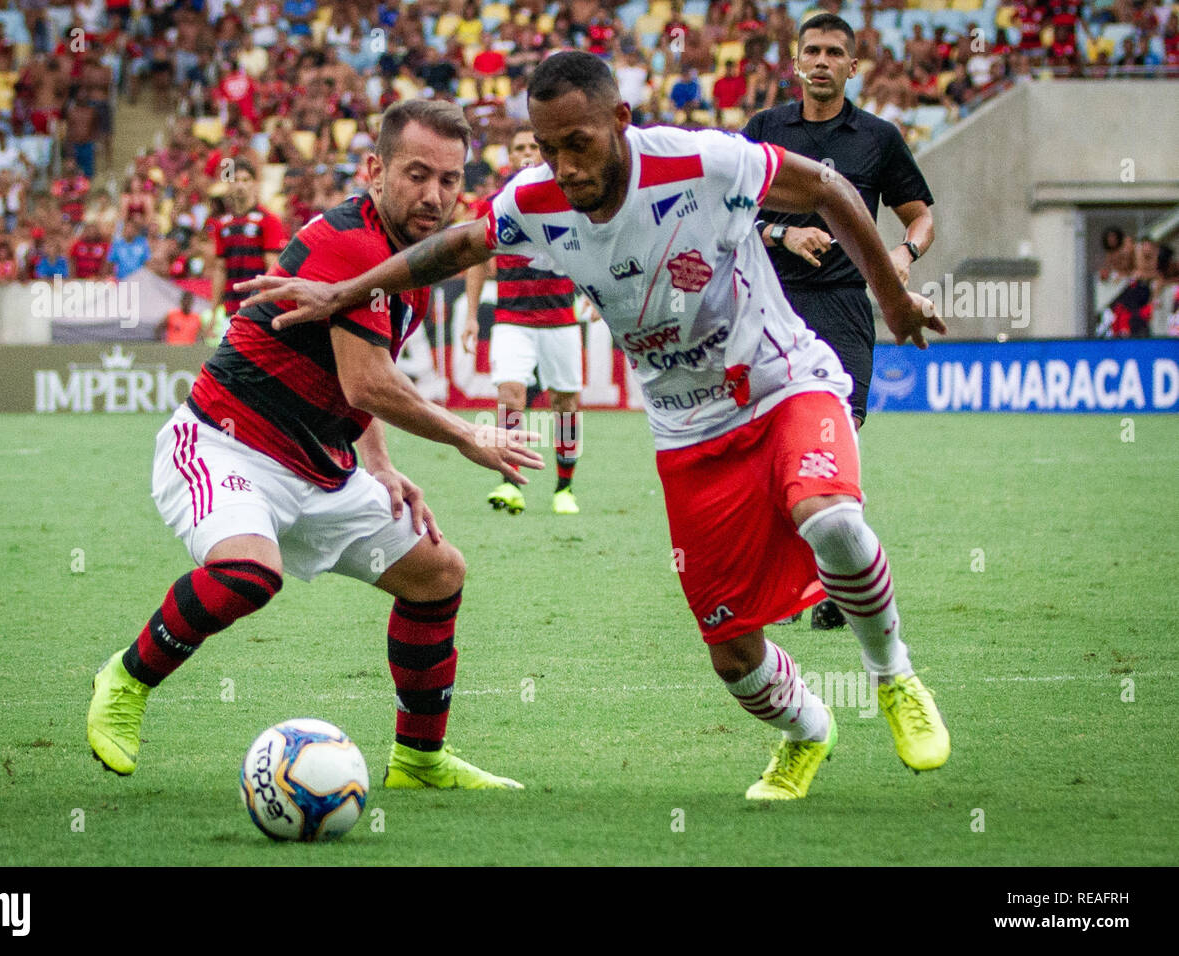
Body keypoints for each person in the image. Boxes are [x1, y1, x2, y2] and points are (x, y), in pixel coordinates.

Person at [240, 54, 952, 800]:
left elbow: (830, 187)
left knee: (828, 513)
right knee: (733, 654)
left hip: (782, 383)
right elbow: (456, 247)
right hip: (687, 430)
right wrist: (345, 291)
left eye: (577, 143)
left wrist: (891, 298)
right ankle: (808, 731)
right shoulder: (539, 198)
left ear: (620, 122)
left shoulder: (704, 160)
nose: (563, 167)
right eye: (547, 148)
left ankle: (892, 676)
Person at [87, 100, 541, 790]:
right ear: (373, 170)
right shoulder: (352, 244)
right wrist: (466, 435)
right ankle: (125, 677)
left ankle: (419, 762)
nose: (434, 195)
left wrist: (382, 465)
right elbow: (368, 386)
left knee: (436, 575)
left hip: (316, 465)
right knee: (249, 574)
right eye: (417, 174)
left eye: (450, 180)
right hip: (224, 445)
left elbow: (358, 375)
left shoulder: (407, 261)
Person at [745, 13, 936, 631]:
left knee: (837, 438)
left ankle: (835, 580)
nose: (822, 61)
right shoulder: (765, 130)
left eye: (834, 52)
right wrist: (782, 231)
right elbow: (726, 213)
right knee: (769, 442)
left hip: (844, 307)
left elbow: (920, 217)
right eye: (812, 51)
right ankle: (782, 578)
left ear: (854, 67)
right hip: (767, 303)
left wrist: (903, 255)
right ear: (796, 64)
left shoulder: (877, 138)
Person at [462, 126, 585, 516]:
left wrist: (602, 295)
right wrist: (469, 316)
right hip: (511, 319)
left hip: (561, 319)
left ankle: (564, 488)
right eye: (520, 148)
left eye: (535, 145)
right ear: (509, 158)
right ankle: (509, 482)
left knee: (565, 404)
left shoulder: (569, 202)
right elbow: (476, 261)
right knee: (510, 397)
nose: (528, 152)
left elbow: (593, 248)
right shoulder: (492, 206)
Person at [212, 158, 286, 325]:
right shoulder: (222, 225)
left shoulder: (269, 221)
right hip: (230, 310)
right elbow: (220, 270)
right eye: (235, 180)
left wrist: (275, 306)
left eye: (245, 180)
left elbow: (273, 267)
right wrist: (213, 310)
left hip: (259, 307)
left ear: (255, 184)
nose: (240, 185)